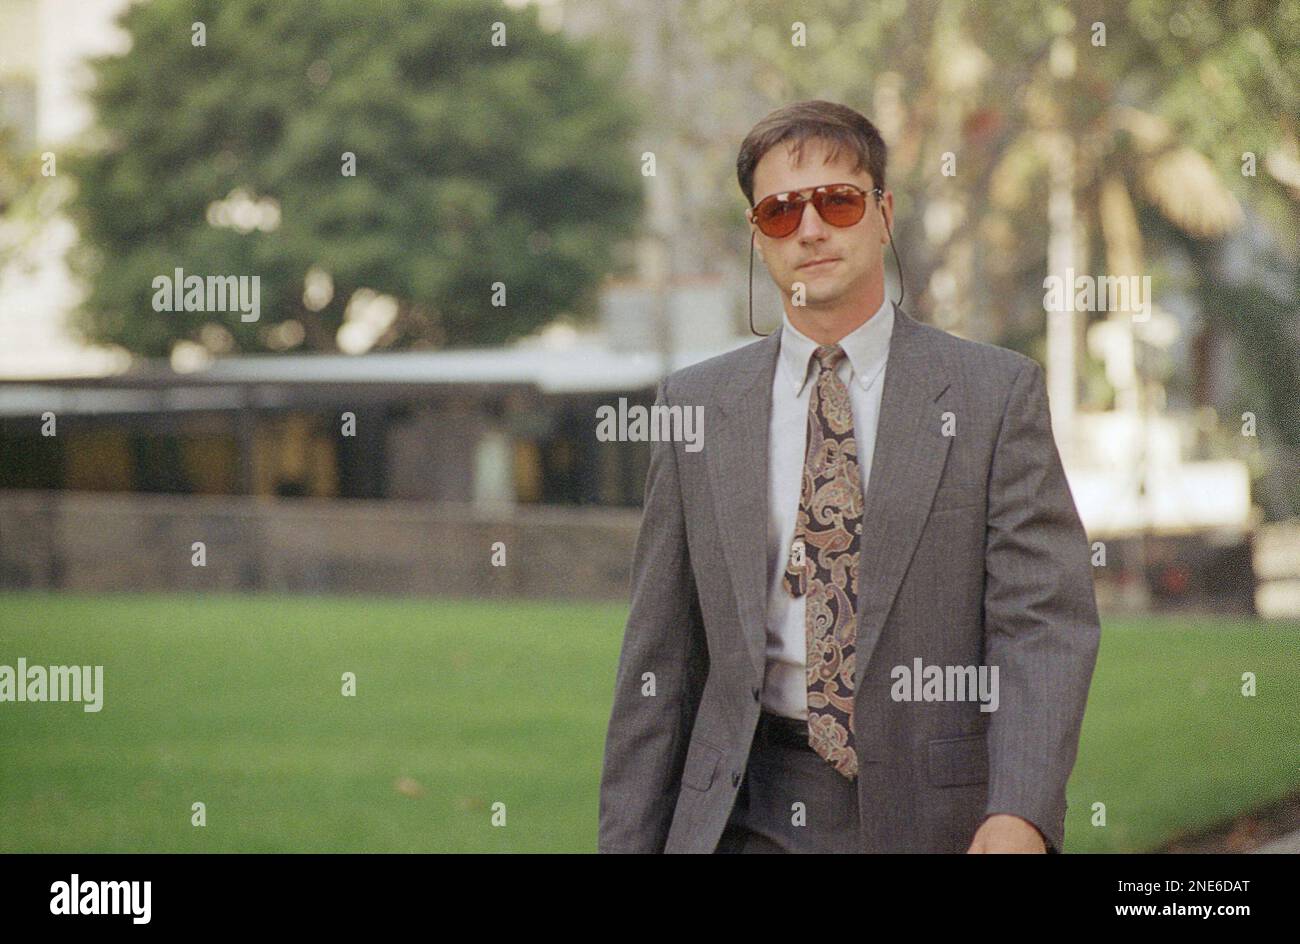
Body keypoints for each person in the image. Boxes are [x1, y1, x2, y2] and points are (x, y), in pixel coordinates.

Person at [597, 100, 1100, 853]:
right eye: (779, 211)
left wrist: (1021, 809)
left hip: (938, 818)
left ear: (883, 213)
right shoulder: (694, 406)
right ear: (758, 238)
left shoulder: (994, 395)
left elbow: (1042, 627)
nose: (809, 228)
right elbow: (659, 659)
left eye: (837, 200)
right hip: (745, 811)